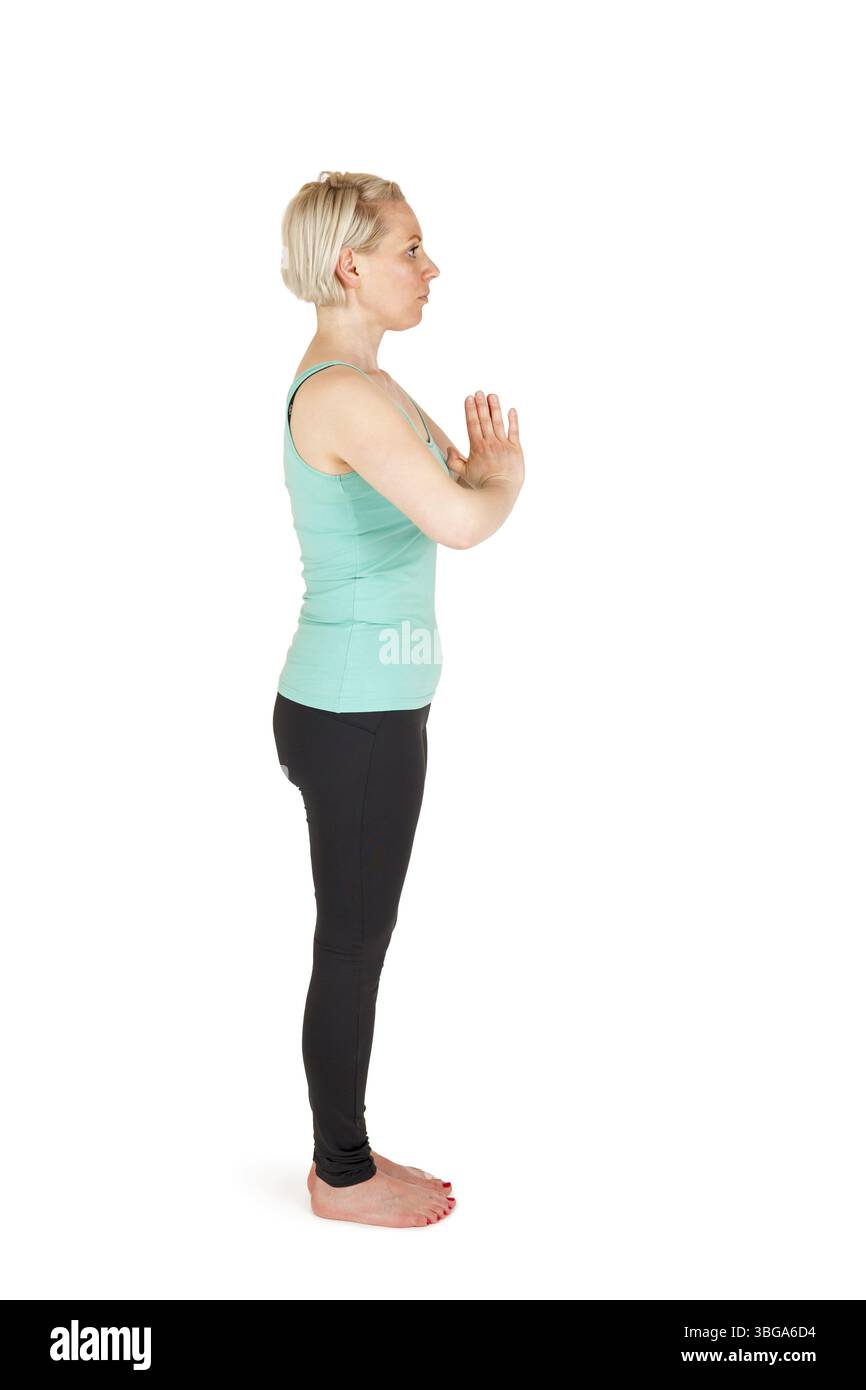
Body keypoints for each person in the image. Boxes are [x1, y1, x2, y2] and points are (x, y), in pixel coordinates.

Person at [272, 170, 524, 1228]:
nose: (430, 268)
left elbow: (457, 484)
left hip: (364, 711)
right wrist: (505, 481)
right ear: (350, 265)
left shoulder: (365, 381)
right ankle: (342, 1174)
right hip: (355, 721)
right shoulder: (341, 392)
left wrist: (479, 479)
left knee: (355, 933)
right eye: (410, 249)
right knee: (353, 941)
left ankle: (346, 1153)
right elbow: (467, 511)